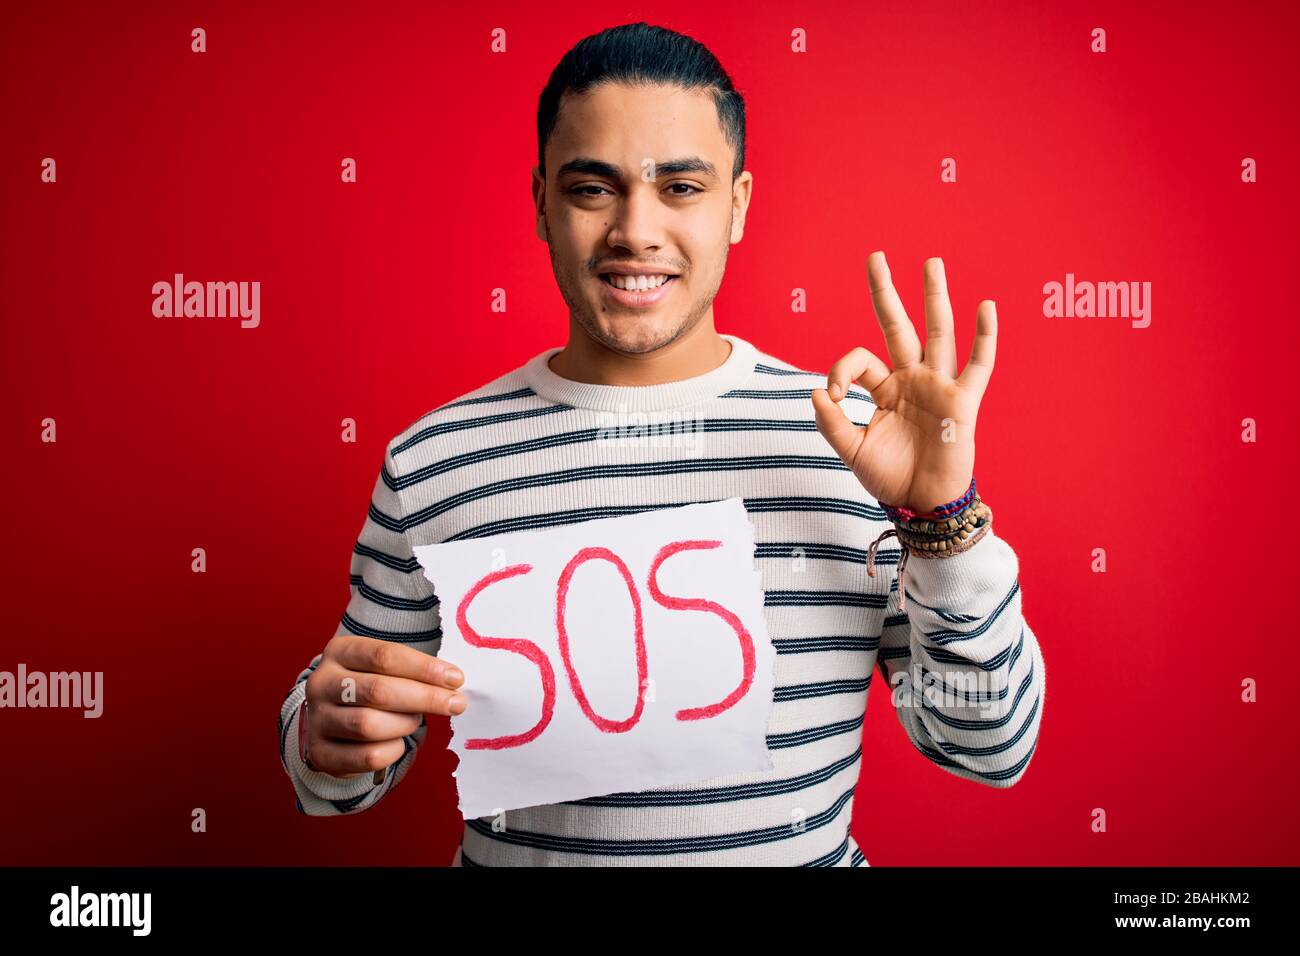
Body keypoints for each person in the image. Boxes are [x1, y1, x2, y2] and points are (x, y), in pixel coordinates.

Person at [277, 21, 1045, 866]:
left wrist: (943, 519)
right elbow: (341, 774)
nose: (636, 232)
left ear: (738, 206)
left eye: (681, 187)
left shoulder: (855, 449)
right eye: (592, 189)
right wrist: (324, 729)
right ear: (540, 202)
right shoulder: (434, 461)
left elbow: (990, 746)